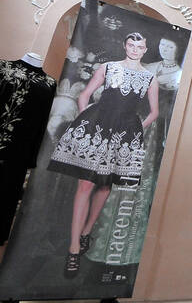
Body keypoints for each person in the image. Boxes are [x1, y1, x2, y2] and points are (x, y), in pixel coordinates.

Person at [48, 31, 159, 276]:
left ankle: (87, 231)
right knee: (85, 184)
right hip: (97, 125)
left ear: (145, 49)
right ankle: (74, 248)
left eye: (139, 46)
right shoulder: (108, 67)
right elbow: (85, 95)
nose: (133, 49)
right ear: (125, 45)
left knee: (106, 186)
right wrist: (83, 120)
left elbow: (154, 113)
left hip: (124, 132)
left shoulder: (150, 78)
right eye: (130, 44)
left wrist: (136, 131)